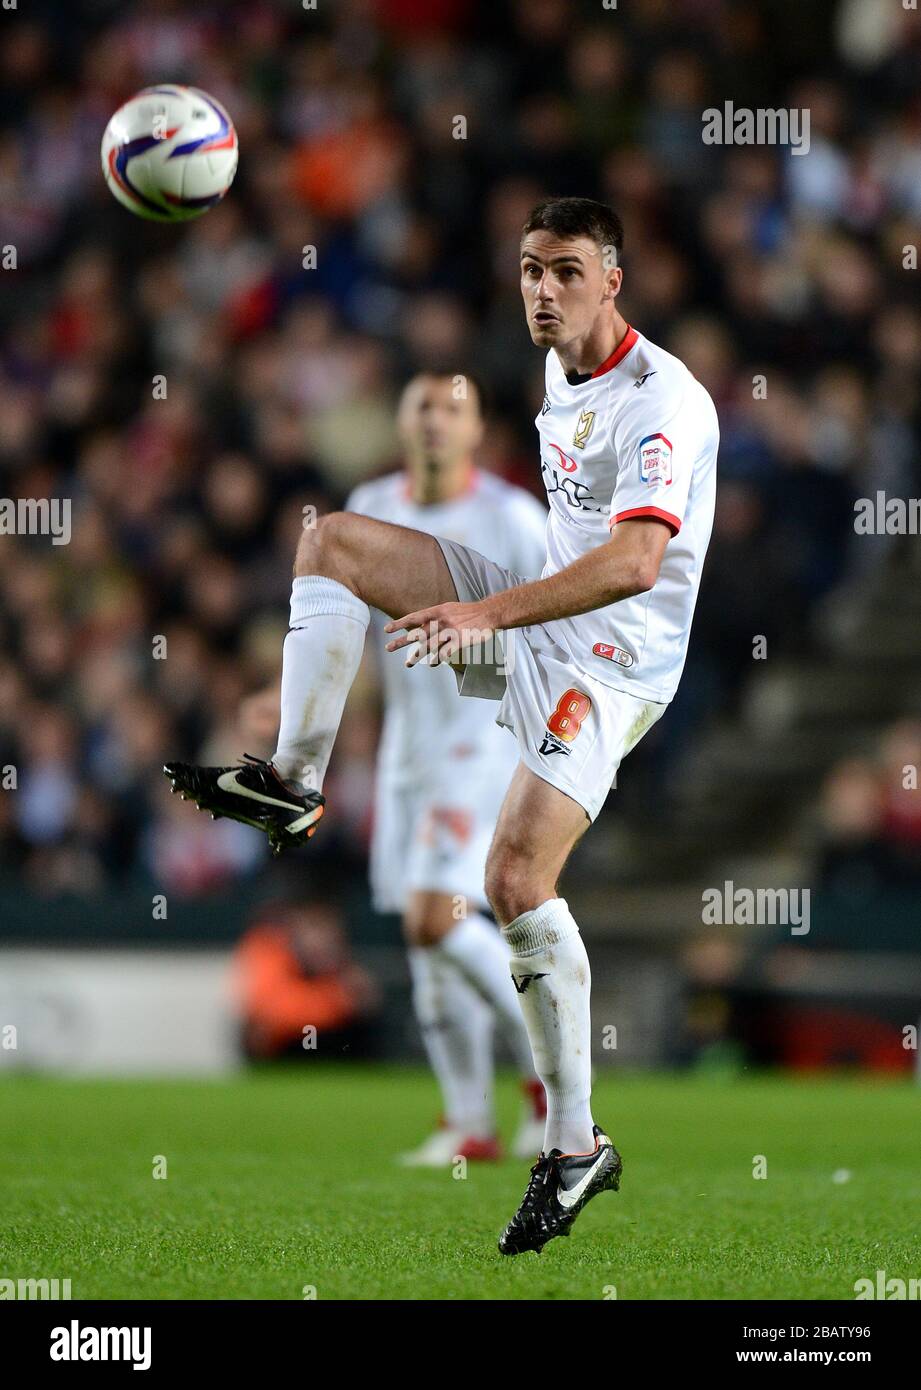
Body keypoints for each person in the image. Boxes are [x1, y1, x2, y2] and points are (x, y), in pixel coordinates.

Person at [165, 196, 719, 1255]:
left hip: (613, 664)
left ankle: (572, 1143)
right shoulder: (560, 374)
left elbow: (638, 562)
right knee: (328, 543)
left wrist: (485, 613)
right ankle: (292, 775)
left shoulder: (665, 401)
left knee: (512, 883)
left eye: (564, 271)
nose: (542, 292)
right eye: (527, 271)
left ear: (613, 278)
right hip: (533, 622)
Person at [241, 370, 550, 1163]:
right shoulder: (372, 506)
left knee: (434, 916)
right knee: (429, 940)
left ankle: (553, 1076)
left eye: (455, 408)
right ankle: (471, 1124)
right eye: (423, 407)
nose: (437, 421)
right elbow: (342, 633)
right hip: (406, 748)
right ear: (401, 423)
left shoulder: (512, 517)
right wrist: (287, 708)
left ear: (479, 430)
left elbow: (552, 632)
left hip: (483, 736)